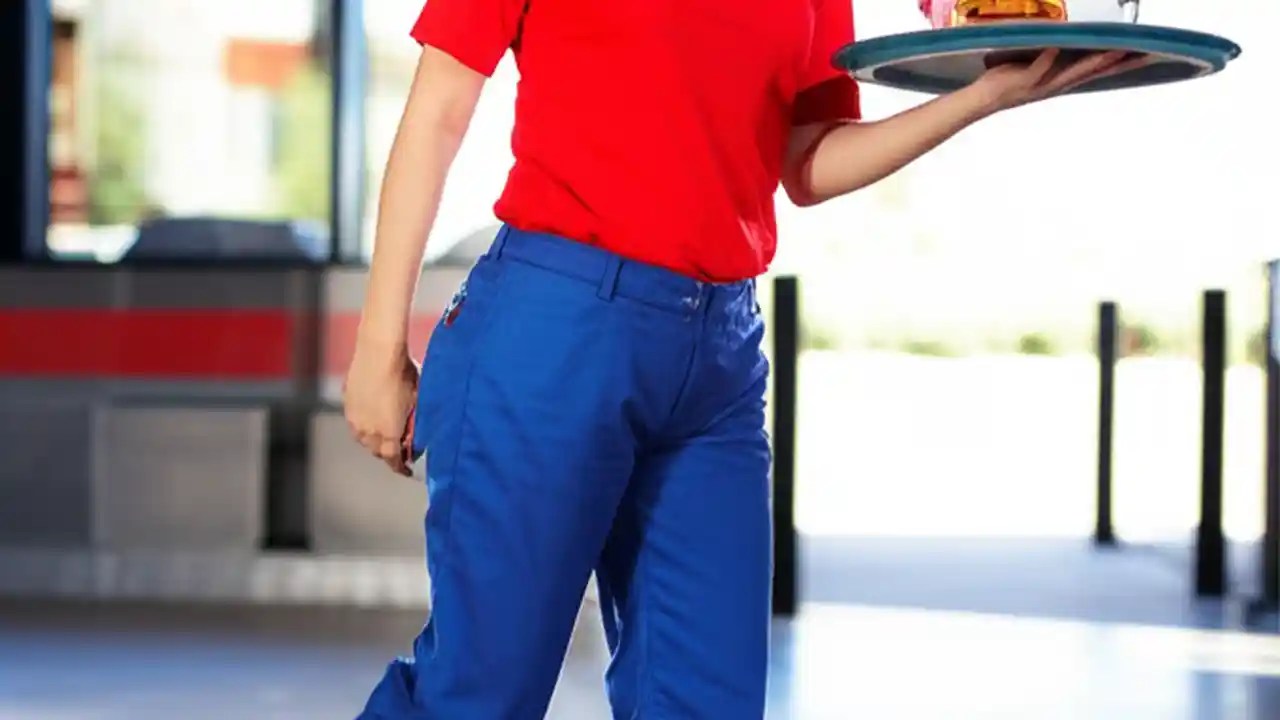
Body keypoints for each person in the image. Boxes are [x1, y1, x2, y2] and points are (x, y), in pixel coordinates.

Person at [343, 0, 1133, 715]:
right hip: (553, 330)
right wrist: (379, 348)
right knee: (479, 696)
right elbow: (439, 111)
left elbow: (808, 162)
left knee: (706, 701)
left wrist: (978, 99)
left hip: (717, 359)